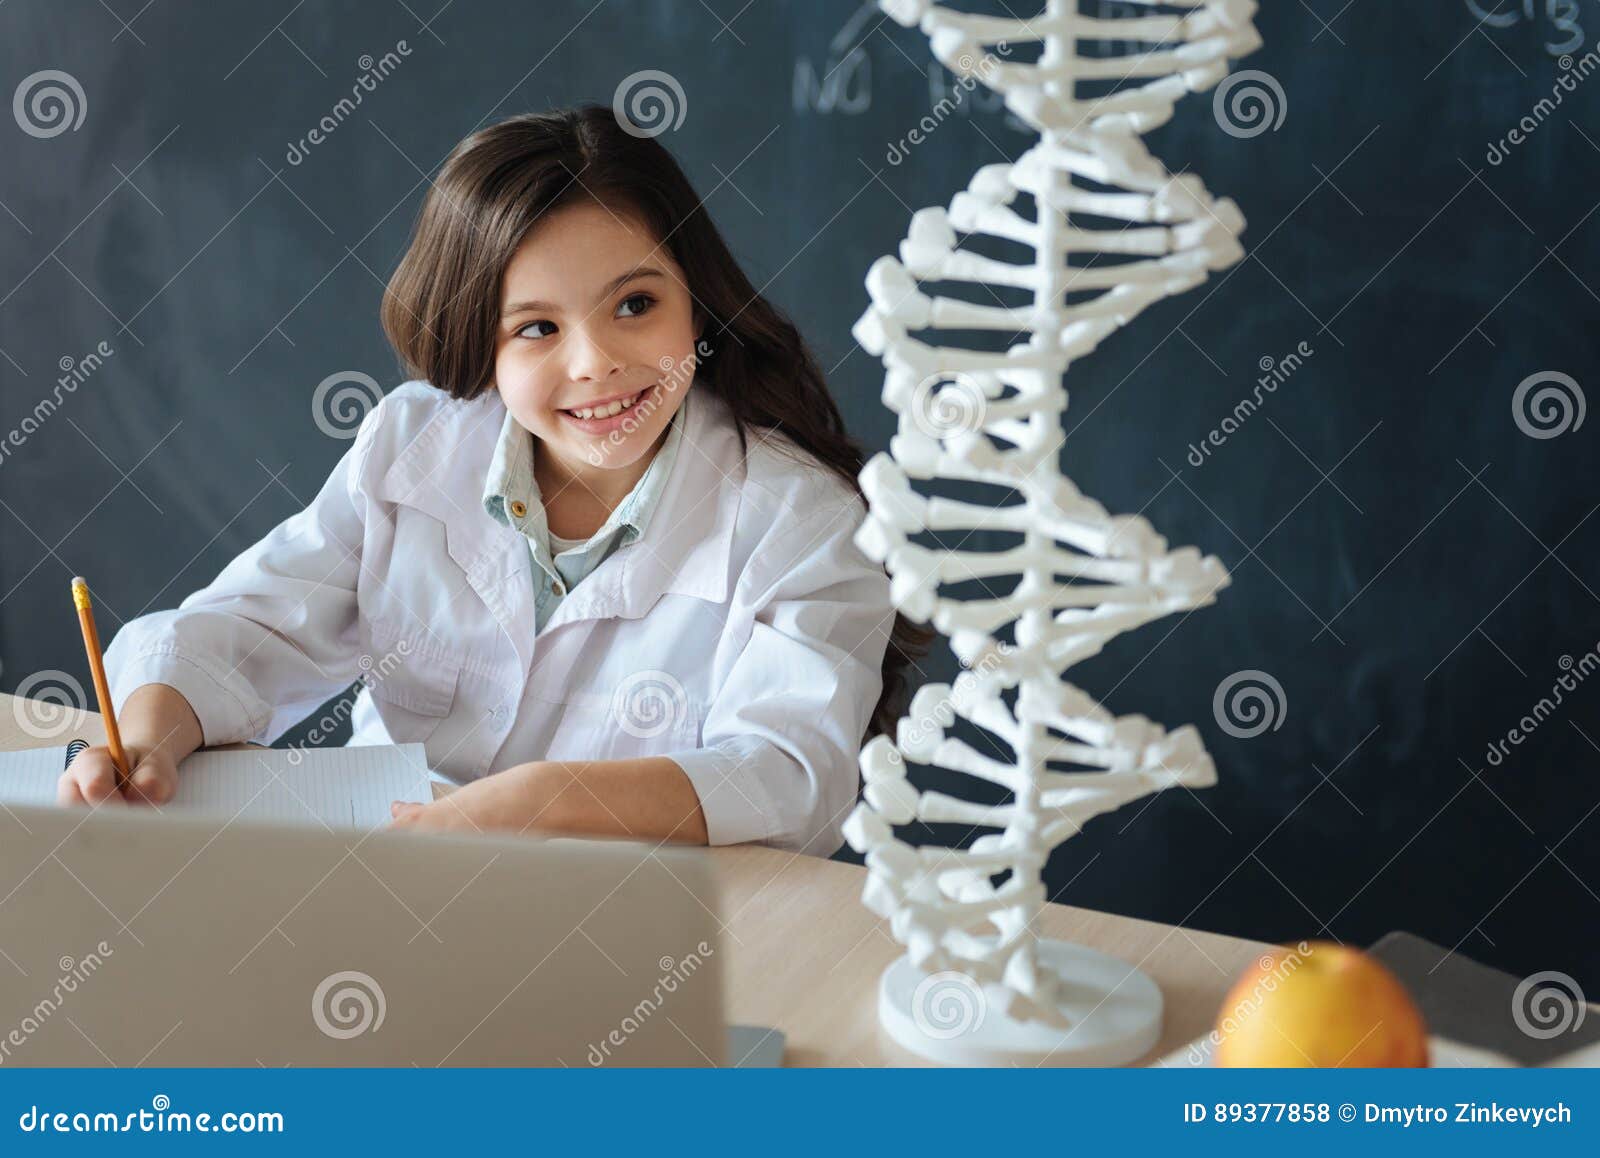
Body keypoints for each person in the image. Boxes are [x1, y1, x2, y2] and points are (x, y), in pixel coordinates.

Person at [65, 105, 919, 857]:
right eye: (537, 328)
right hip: (380, 876)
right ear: (481, 343)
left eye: (635, 305)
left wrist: (539, 801)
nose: (596, 364)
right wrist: (152, 729)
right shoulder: (415, 444)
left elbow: (790, 778)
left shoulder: (798, 516)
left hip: (632, 925)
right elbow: (252, 630)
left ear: (698, 302)